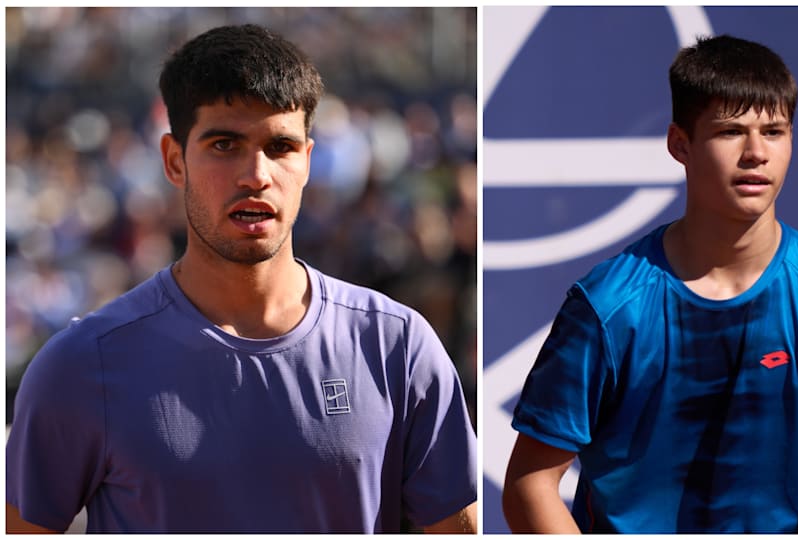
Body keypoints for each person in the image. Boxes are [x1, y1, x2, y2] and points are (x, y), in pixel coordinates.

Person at [6, 24, 477, 534]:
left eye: (280, 146)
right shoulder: (80, 366)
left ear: (308, 162)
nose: (256, 174)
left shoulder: (397, 346)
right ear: (173, 161)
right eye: (225, 144)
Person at [501, 34, 798, 533]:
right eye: (730, 132)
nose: (756, 153)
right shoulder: (607, 307)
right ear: (681, 144)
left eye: (775, 131)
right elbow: (530, 485)